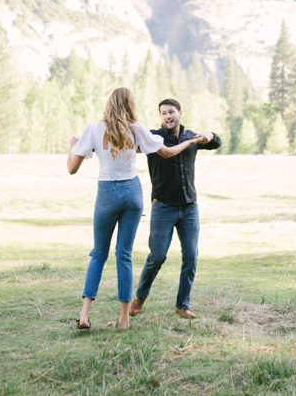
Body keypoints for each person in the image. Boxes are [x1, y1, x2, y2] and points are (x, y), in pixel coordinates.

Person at [67, 87, 200, 330]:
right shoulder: (136, 128)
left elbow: (71, 168)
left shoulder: (94, 129)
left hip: (107, 192)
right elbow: (168, 152)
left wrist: (72, 146)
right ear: (130, 105)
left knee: (99, 254)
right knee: (124, 254)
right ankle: (124, 318)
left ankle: (84, 314)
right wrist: (190, 141)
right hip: (132, 193)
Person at [130, 98, 221, 319]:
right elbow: (131, 144)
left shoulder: (191, 137)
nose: (168, 116)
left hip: (189, 207)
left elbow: (216, 142)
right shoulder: (153, 138)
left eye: (171, 112)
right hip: (163, 207)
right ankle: (139, 297)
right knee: (157, 256)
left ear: (180, 113)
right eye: (163, 113)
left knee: (191, 256)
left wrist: (209, 135)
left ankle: (182, 305)